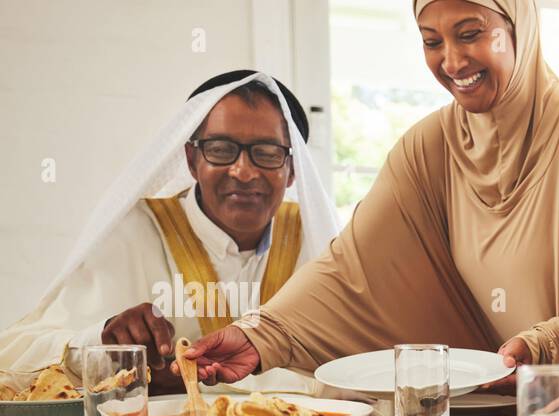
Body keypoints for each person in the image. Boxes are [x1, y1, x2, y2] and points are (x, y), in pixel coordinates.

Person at [181, 0, 559, 397]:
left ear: (519, 27)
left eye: (470, 34)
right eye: (432, 42)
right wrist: (258, 335)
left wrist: (536, 349)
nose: (451, 62)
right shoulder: (429, 146)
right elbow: (350, 272)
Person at [0, 71, 336, 395]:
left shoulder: (322, 247)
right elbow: (14, 355)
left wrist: (203, 383)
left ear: (293, 170)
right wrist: (103, 342)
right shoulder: (133, 233)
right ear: (191, 160)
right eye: (220, 149)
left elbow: (357, 371)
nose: (243, 172)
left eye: (266, 154)